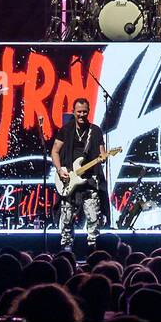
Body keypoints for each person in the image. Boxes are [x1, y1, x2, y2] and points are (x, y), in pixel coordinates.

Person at [50, 98, 109, 252]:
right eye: (79, 112)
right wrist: (59, 170)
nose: (82, 114)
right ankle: (66, 248)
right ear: (73, 112)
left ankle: (93, 249)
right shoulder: (66, 130)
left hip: (90, 181)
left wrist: (103, 157)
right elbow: (54, 151)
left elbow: (102, 151)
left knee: (93, 218)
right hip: (69, 178)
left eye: (84, 111)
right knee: (67, 218)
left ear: (88, 111)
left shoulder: (95, 131)